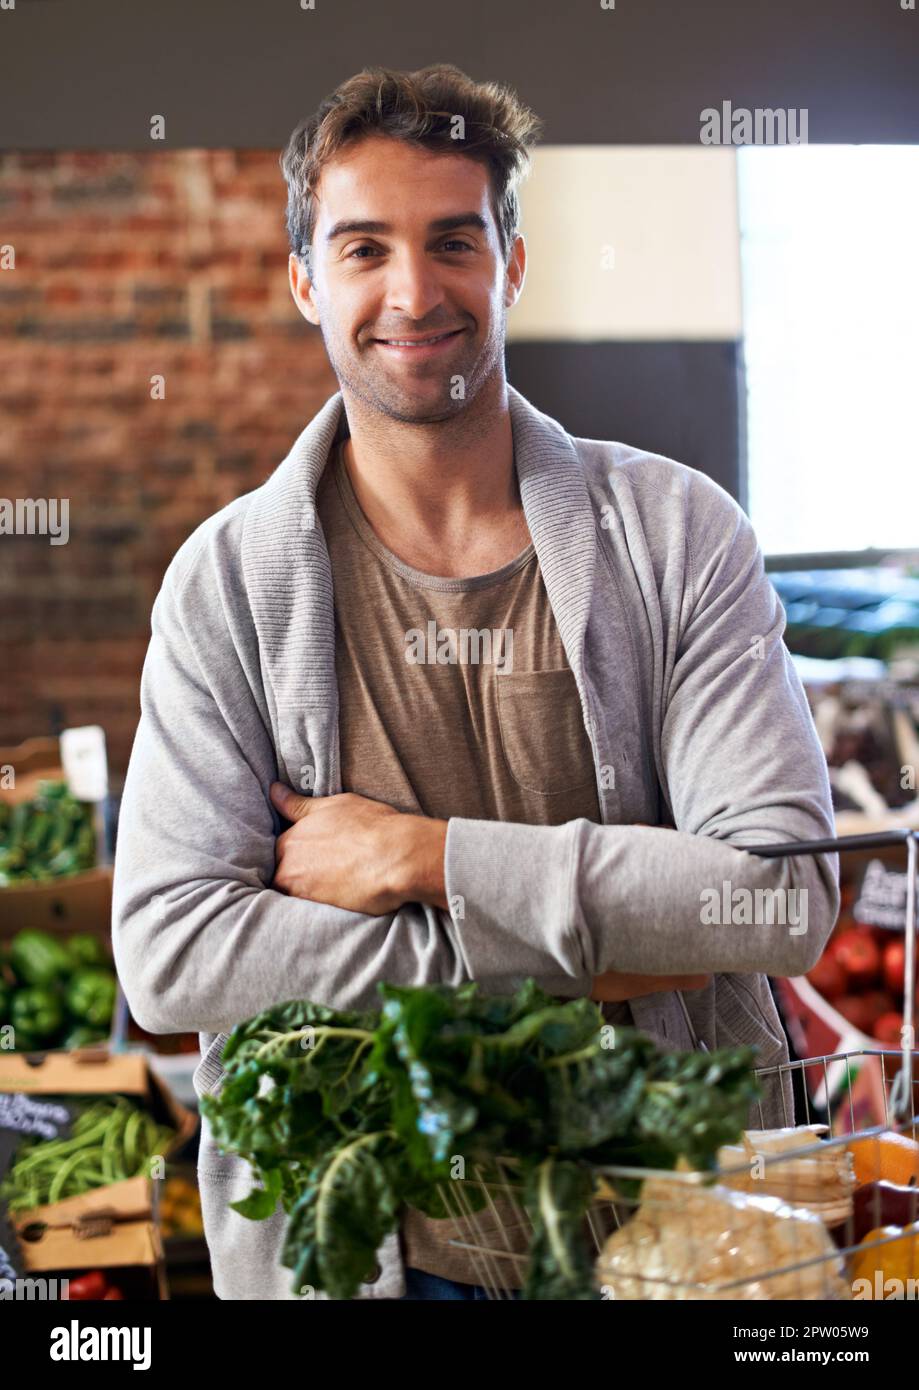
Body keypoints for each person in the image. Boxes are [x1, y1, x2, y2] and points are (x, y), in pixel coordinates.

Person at [112, 63, 840, 1301]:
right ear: (304, 280)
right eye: (362, 248)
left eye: (453, 239)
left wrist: (426, 859)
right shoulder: (226, 584)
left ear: (509, 261)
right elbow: (174, 953)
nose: (412, 292)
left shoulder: (677, 532)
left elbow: (772, 897)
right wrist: (580, 950)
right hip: (369, 1259)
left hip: (685, 1236)